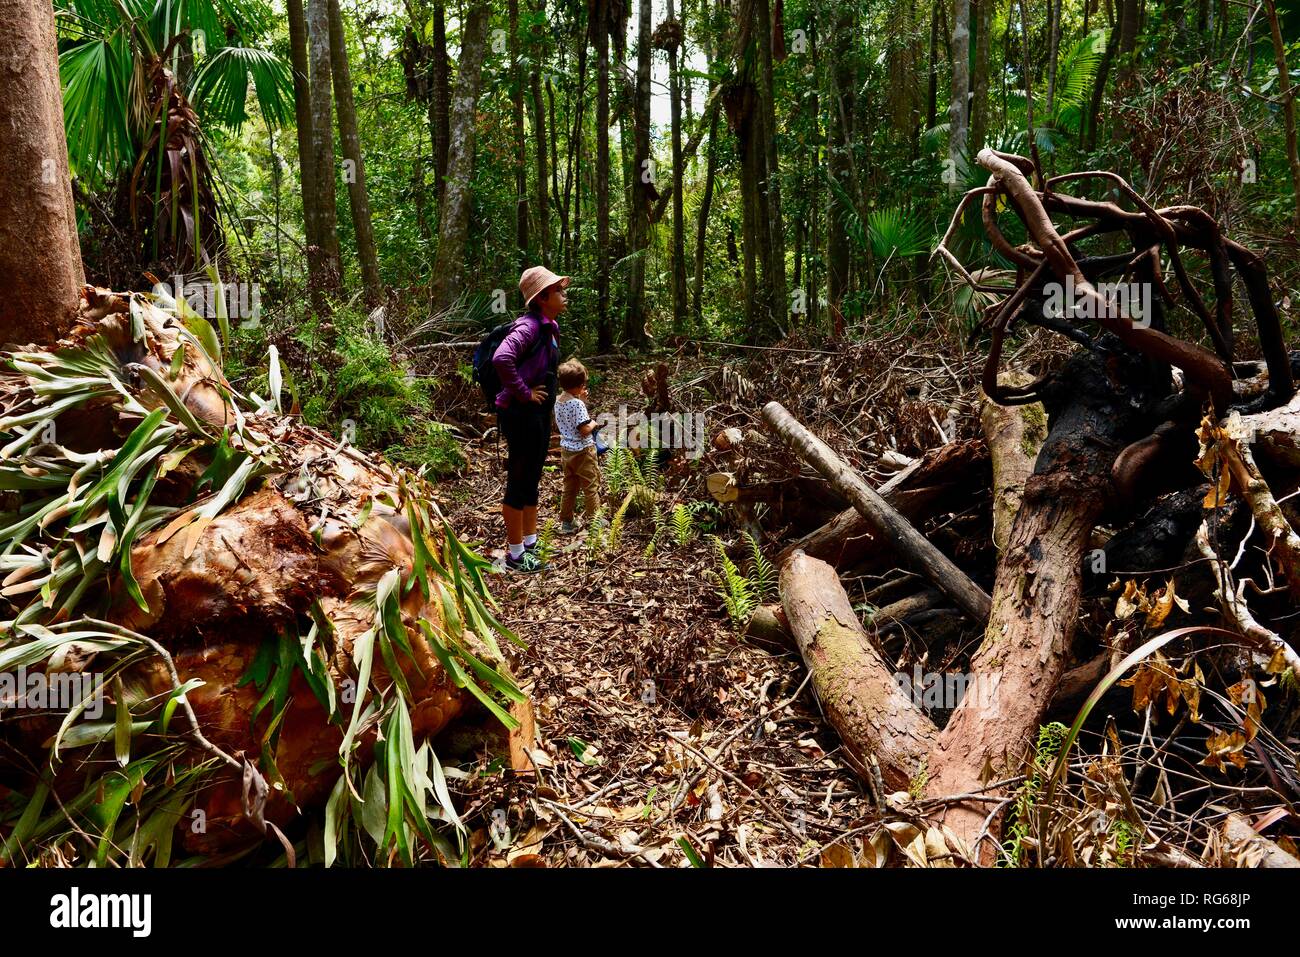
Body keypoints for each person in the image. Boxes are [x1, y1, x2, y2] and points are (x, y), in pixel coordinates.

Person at [493, 265, 568, 572]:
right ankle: (514, 554)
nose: (564, 296)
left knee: (532, 477)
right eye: (558, 291)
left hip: (536, 414)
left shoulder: (548, 326)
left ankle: (530, 545)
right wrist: (524, 393)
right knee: (520, 479)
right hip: (520, 413)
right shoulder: (529, 327)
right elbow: (502, 358)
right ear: (542, 297)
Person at [553, 359, 602, 533]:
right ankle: (596, 523)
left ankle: (566, 522)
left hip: (566, 450)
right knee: (590, 487)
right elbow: (584, 429)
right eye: (582, 384)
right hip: (583, 451)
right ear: (578, 385)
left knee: (569, 487)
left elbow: (570, 419)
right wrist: (594, 423)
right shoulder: (577, 404)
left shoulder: (558, 401)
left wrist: (580, 398)